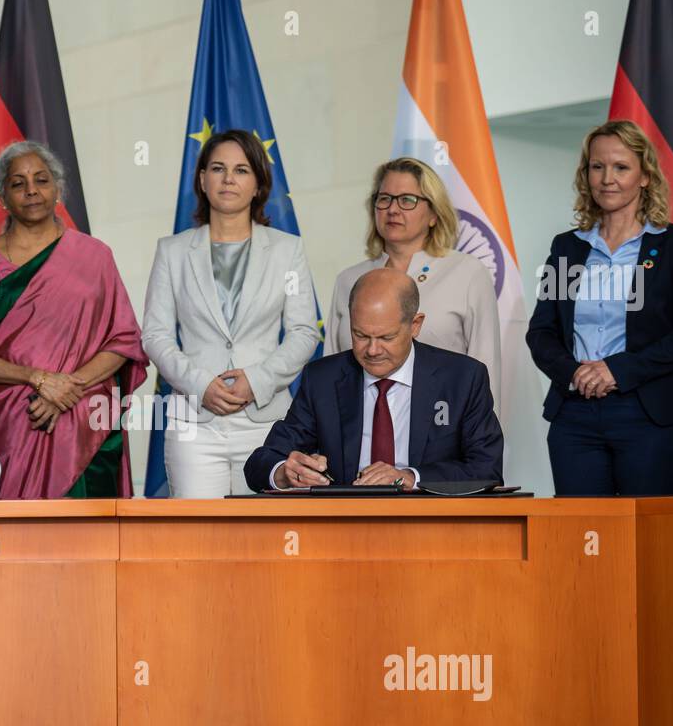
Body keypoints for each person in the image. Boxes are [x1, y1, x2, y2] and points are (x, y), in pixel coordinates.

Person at [526, 119, 673, 496]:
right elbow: (541, 332)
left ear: (644, 176)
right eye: (597, 166)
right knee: (583, 539)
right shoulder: (567, 248)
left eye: (621, 167)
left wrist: (616, 370)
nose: (607, 178)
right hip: (574, 415)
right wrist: (576, 373)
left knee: (649, 541)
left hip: (649, 413)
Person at [0, 140, 147, 499]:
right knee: (17, 538)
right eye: (18, 183)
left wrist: (65, 389)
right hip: (11, 418)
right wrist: (39, 379)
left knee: (90, 541)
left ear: (57, 188)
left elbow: (123, 340)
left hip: (84, 417)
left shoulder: (95, 256)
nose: (31, 190)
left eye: (41, 180)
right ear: (2, 195)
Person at [142, 129, 319, 497]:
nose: (227, 179)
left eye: (241, 170)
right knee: (198, 541)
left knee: (262, 542)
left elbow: (304, 331)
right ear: (202, 180)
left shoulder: (288, 251)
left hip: (266, 422)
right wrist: (200, 385)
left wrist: (255, 380)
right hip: (195, 423)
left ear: (258, 184)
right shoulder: (172, 252)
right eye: (218, 168)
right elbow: (155, 335)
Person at [244, 268, 502, 491]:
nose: (372, 350)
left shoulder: (462, 378)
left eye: (386, 338)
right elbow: (260, 463)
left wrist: (410, 478)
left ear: (415, 325)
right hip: (345, 529)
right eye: (360, 335)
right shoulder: (323, 379)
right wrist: (284, 472)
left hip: (430, 525)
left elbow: (486, 470)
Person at [325, 156, 501, 413]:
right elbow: (330, 371)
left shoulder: (468, 273)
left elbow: (487, 367)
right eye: (384, 198)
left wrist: (483, 444)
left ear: (433, 214)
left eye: (407, 200)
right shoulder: (349, 279)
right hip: (360, 429)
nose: (393, 209)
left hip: (442, 424)